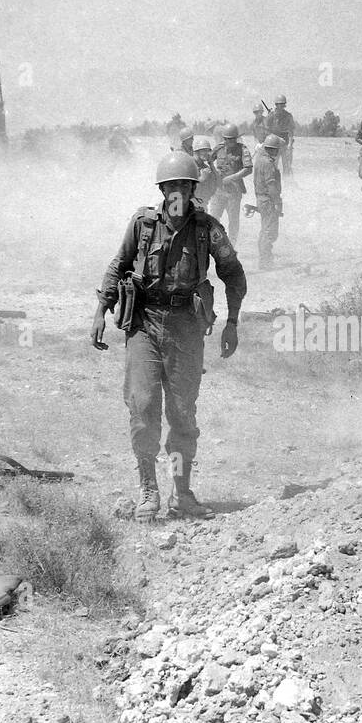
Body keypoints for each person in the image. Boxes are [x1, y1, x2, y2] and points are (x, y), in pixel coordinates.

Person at [92, 154, 246, 520]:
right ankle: (148, 489)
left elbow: (233, 273)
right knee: (143, 405)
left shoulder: (208, 229)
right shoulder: (142, 224)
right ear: (162, 190)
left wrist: (232, 322)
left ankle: (181, 491)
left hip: (186, 328)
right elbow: (119, 263)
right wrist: (101, 309)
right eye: (171, 186)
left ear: (194, 190)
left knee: (182, 413)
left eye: (184, 186)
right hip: (145, 324)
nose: (178, 192)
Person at [208, 123, 253, 240]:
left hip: (234, 191)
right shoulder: (219, 148)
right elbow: (208, 159)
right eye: (227, 139)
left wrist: (232, 178)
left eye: (233, 139)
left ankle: (232, 244)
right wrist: (214, 172)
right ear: (224, 138)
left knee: (233, 220)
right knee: (213, 218)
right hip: (218, 190)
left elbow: (248, 169)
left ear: (236, 138)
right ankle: (214, 242)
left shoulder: (243, 149)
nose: (230, 142)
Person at [253, 134, 284, 269]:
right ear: (274, 149)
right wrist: (277, 202)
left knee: (265, 229)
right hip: (268, 200)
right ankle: (265, 260)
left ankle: (264, 258)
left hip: (262, 199)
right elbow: (271, 184)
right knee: (269, 231)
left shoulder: (260, 160)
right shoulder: (268, 163)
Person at [267, 95, 295, 179]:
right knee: (273, 165)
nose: (281, 107)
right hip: (274, 144)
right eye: (279, 104)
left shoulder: (288, 116)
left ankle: (287, 182)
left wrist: (290, 145)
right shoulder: (271, 115)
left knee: (287, 166)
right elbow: (267, 130)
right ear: (276, 105)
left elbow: (291, 131)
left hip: (285, 143)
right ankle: (274, 181)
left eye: (282, 104)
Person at [192, 135, 220, 207]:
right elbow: (184, 185)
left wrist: (211, 164)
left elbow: (218, 182)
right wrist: (201, 179)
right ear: (197, 152)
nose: (207, 153)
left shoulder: (206, 168)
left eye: (208, 151)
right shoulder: (189, 164)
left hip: (202, 204)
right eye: (204, 150)